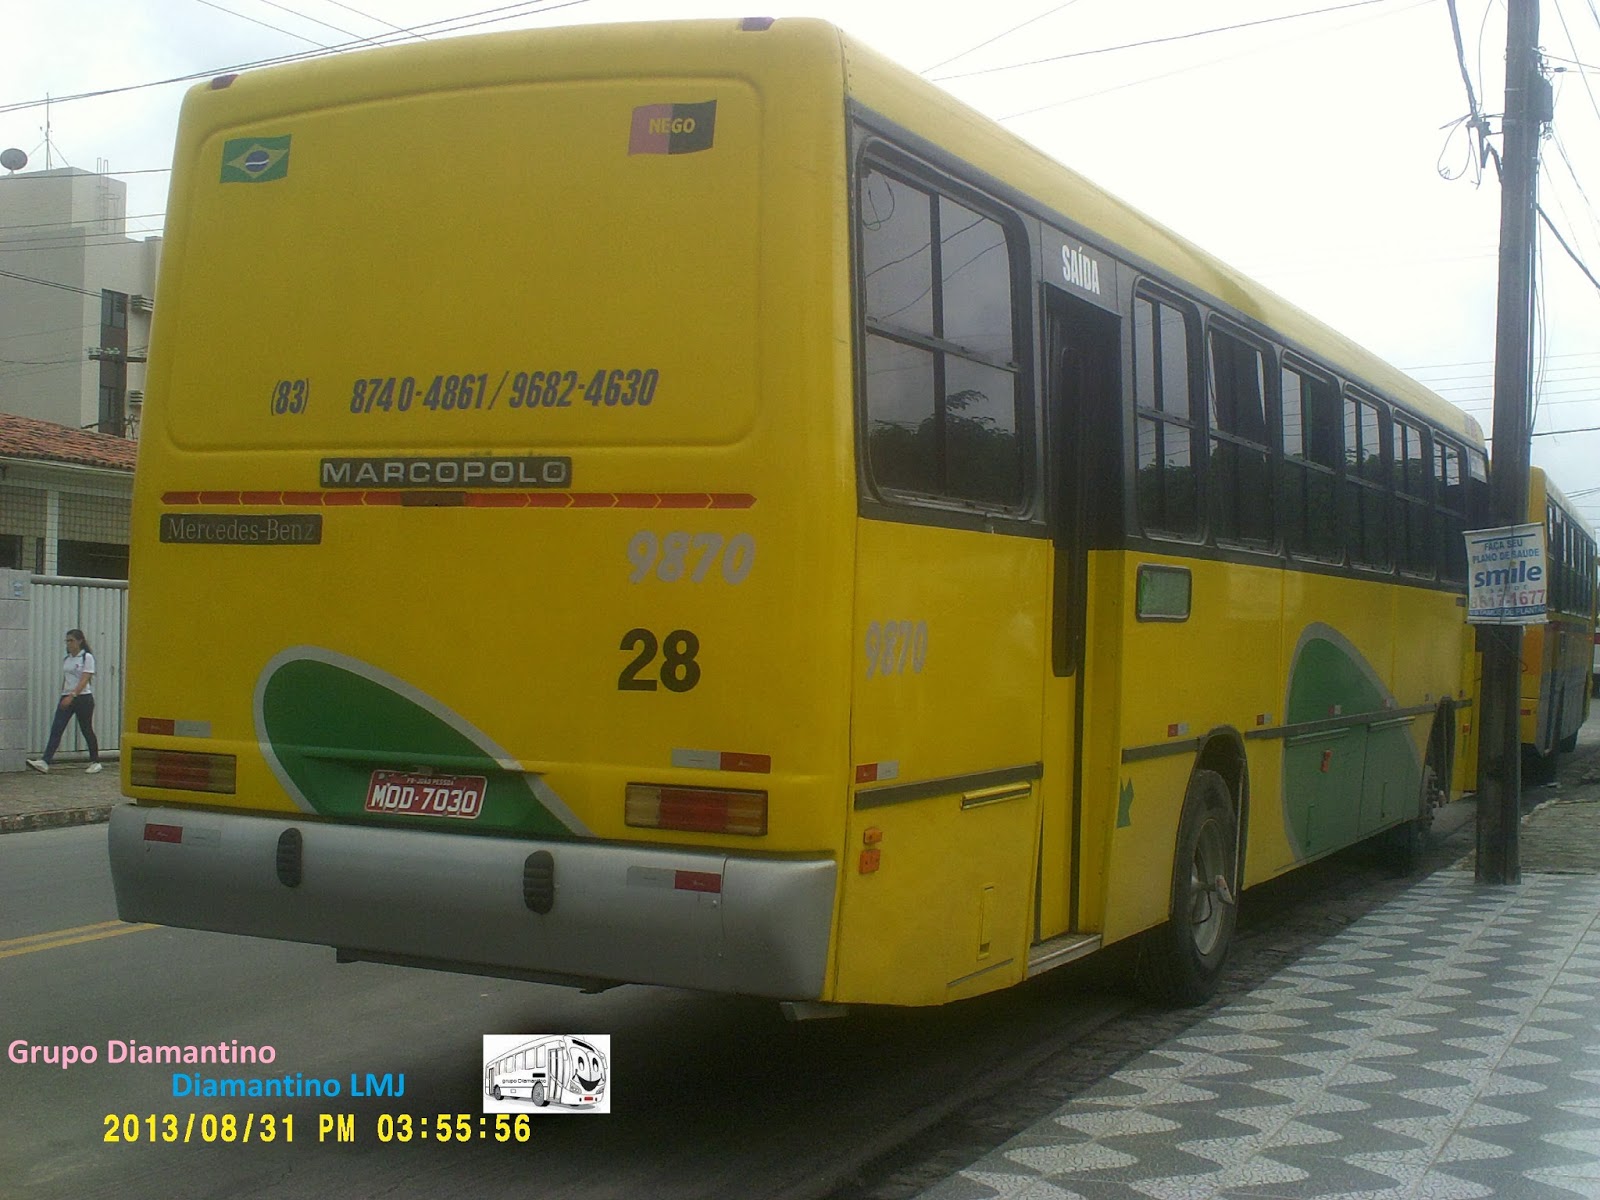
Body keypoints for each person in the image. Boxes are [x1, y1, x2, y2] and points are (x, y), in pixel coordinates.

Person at [26, 629, 102, 774]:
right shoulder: (67, 659)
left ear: (79, 641)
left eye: (71, 640)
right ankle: (45, 761)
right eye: (67, 641)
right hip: (67, 696)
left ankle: (95, 761)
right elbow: (67, 679)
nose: (68, 644)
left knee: (86, 728)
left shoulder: (87, 657)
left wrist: (72, 695)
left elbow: (84, 679)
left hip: (82, 698)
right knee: (57, 728)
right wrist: (64, 694)